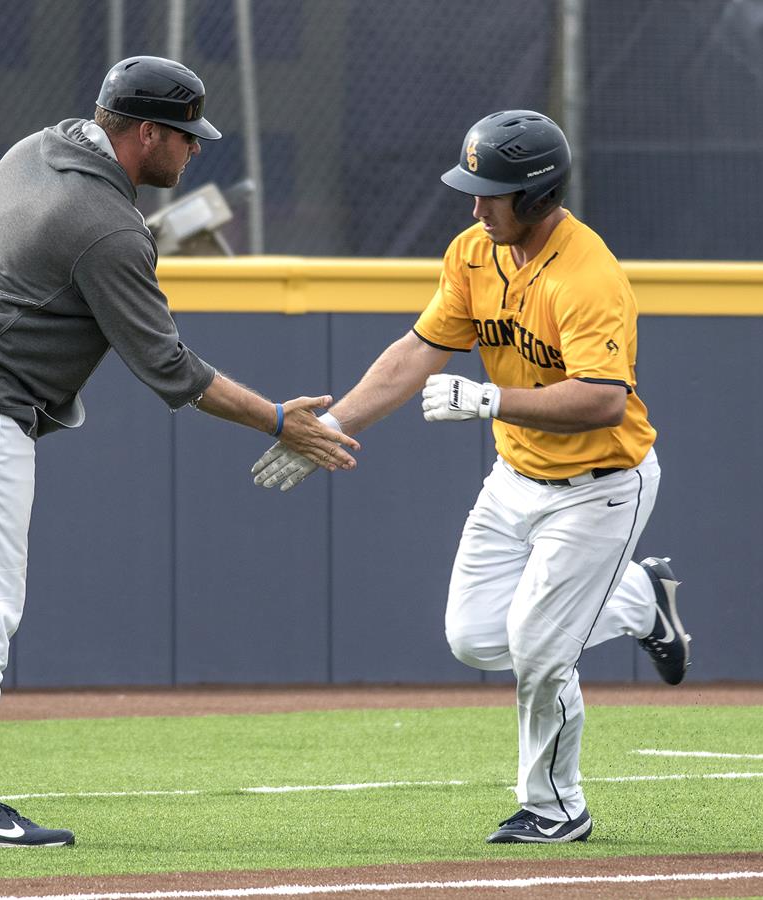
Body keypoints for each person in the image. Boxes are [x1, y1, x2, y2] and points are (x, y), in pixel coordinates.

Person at [0, 55, 359, 849]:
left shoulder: (42, 145)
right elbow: (171, 370)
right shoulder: (109, 229)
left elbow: (71, 249)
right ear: (148, 133)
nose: (195, 150)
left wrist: (148, 240)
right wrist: (275, 420)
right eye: (186, 136)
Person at [250, 111, 692, 844]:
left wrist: (490, 398)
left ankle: (556, 805)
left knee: (542, 648)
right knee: (475, 636)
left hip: (604, 482)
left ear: (540, 194)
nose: (475, 205)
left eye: (490, 191)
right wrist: (335, 425)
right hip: (516, 474)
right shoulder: (474, 252)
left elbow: (603, 398)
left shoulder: (589, 274)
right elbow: (416, 352)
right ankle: (641, 601)